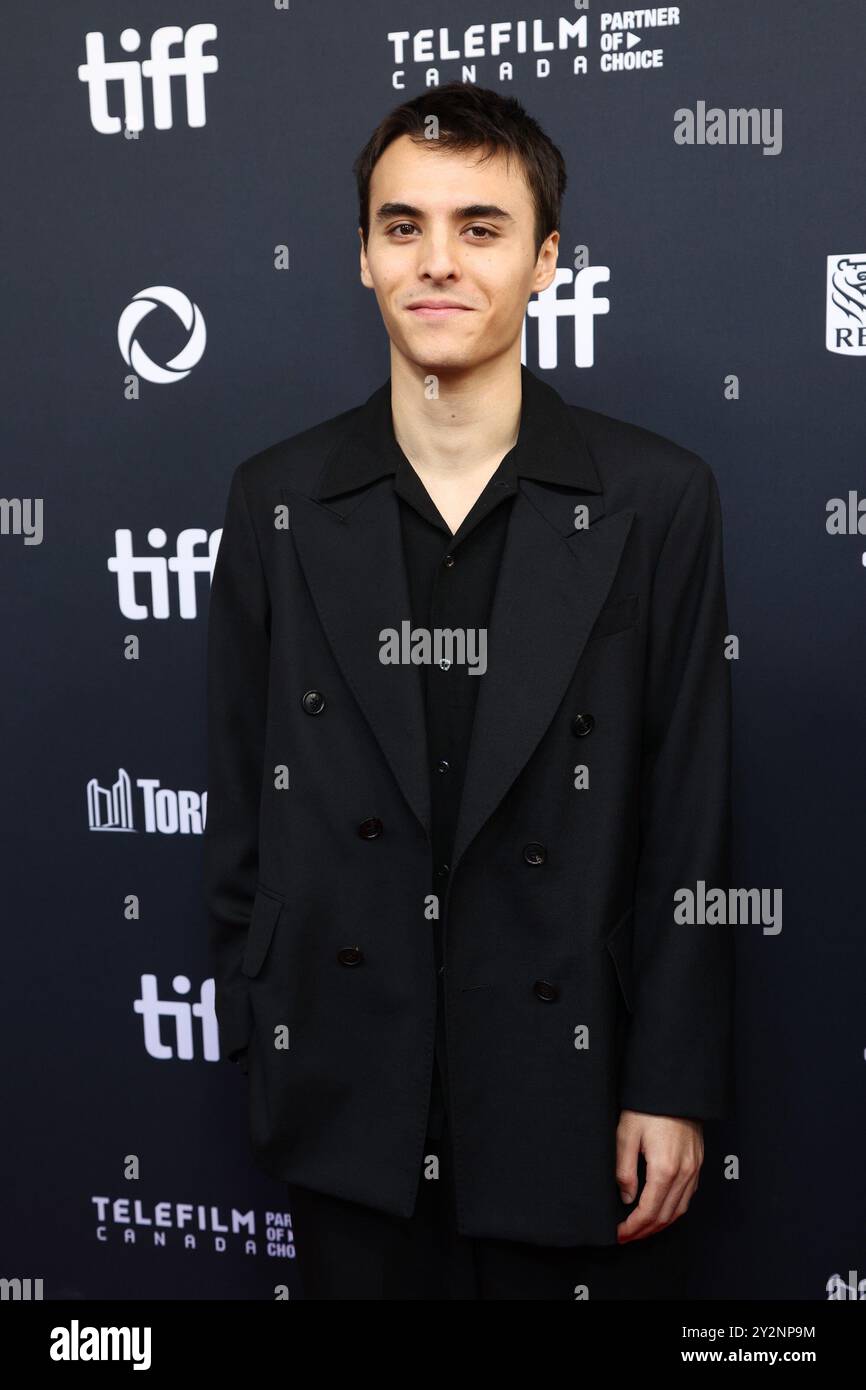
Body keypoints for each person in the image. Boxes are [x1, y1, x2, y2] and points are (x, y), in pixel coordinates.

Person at [204, 82, 735, 1300]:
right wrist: (259, 1026)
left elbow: (686, 805)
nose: (436, 262)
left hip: (569, 1088)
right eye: (403, 226)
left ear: (546, 260)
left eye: (480, 227)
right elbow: (239, 791)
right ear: (362, 255)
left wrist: (670, 1078)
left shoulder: (656, 498)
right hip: (343, 1093)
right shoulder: (274, 498)